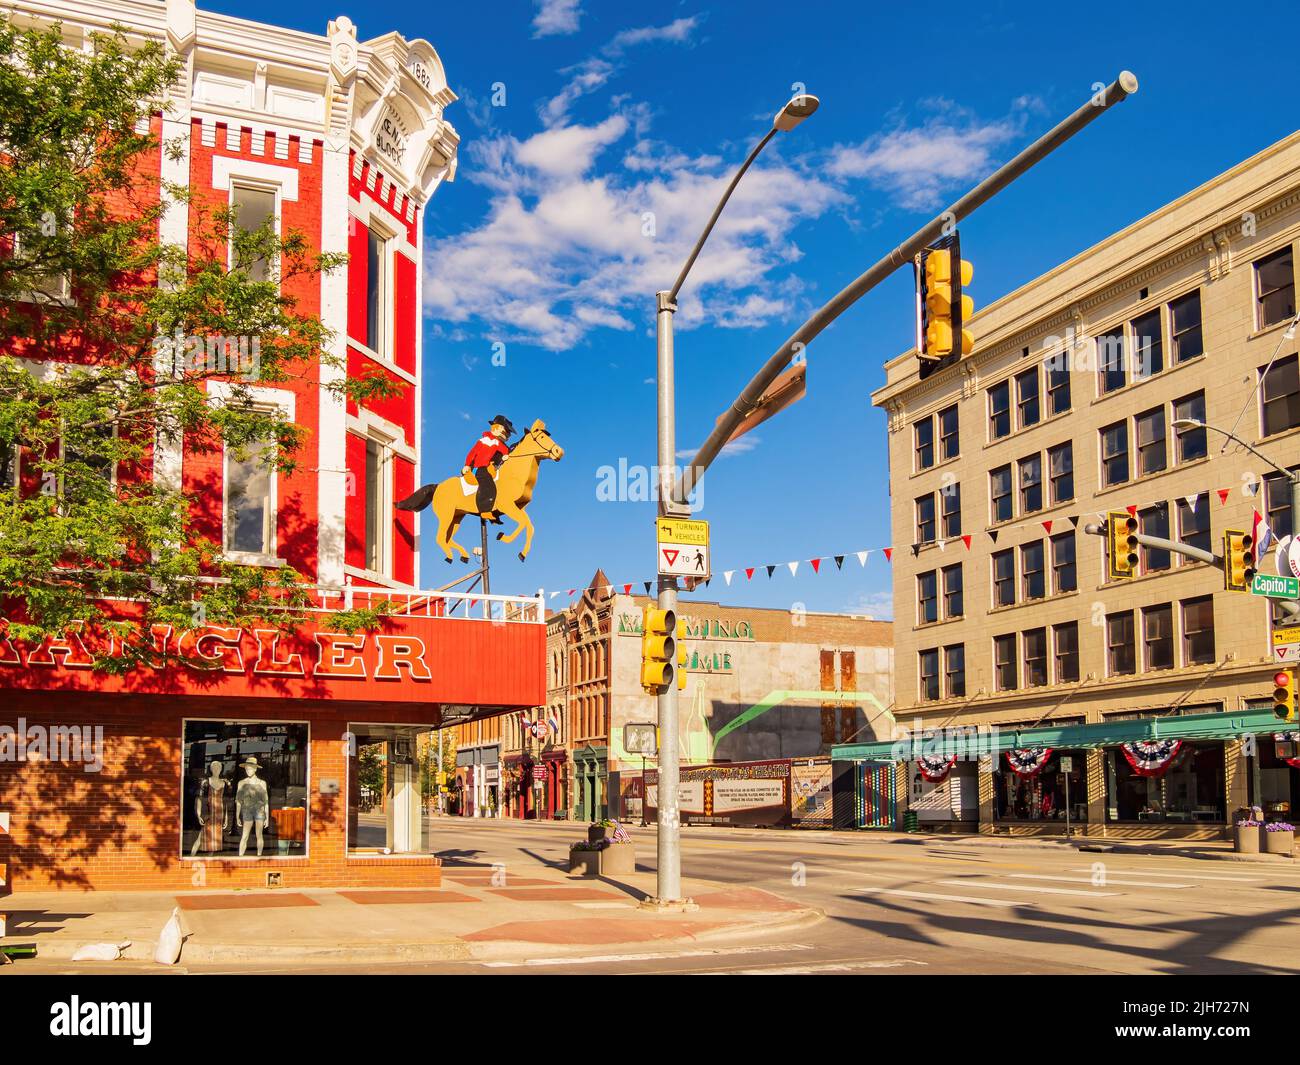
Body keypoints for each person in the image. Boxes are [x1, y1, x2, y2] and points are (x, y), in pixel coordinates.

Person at [463, 415, 514, 522]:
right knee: (488, 485)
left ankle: (496, 509)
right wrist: (467, 465)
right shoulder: (484, 440)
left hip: (493, 469)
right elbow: (472, 453)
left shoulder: (501, 445)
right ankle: (485, 511)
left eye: (508, 434)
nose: (507, 435)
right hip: (481, 468)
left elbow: (507, 452)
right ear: (497, 428)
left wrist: (506, 456)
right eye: (506, 432)